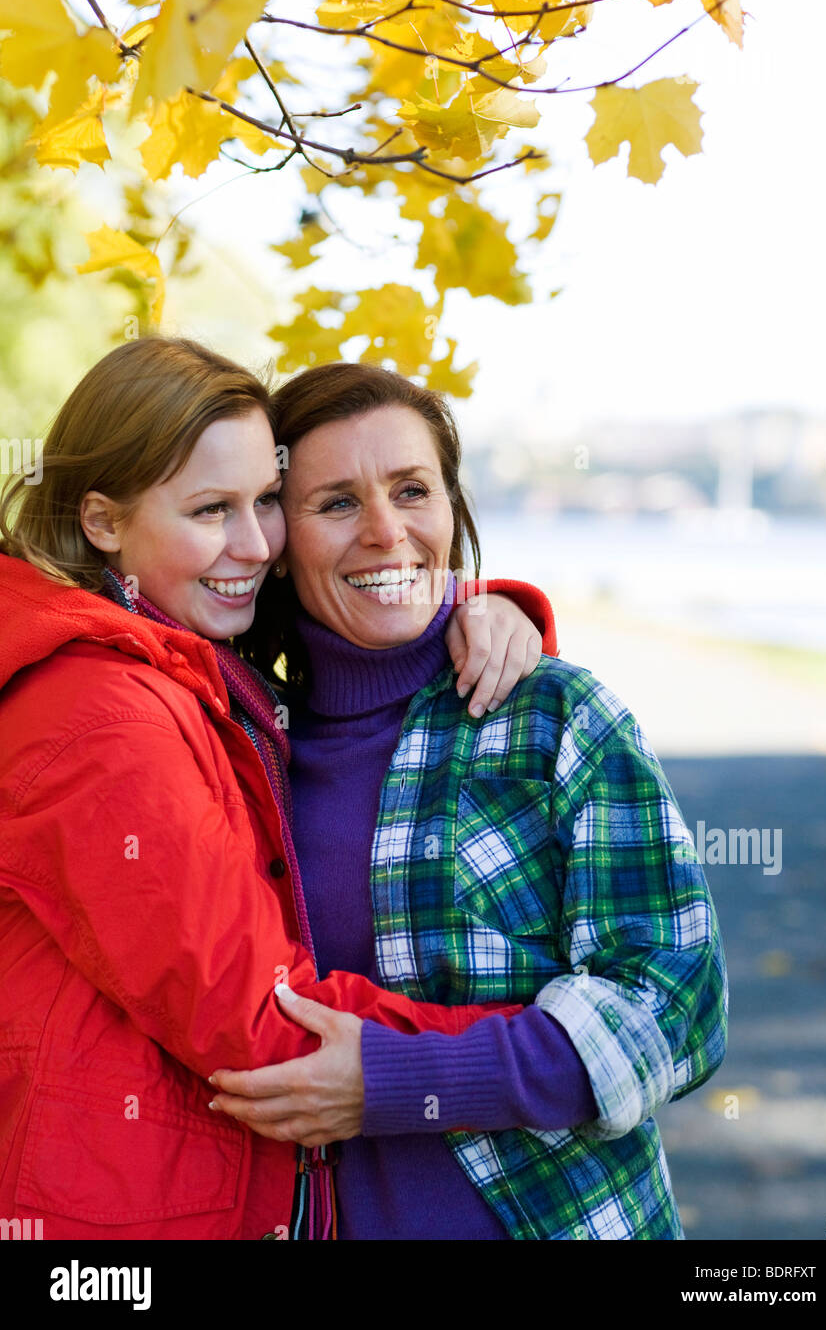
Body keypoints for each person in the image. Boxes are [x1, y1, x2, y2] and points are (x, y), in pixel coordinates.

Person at [0, 337, 558, 1240]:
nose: (255, 545)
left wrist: (490, 613)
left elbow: (364, 627)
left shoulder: (175, 657)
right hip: (118, 1221)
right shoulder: (103, 712)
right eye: (211, 509)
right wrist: (539, 1053)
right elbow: (261, 1020)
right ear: (103, 521)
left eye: (265, 501)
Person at [208, 362, 729, 1241]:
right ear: (275, 539)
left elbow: (673, 1012)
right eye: (335, 503)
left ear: (452, 507)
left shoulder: (554, 716)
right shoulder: (238, 748)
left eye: (412, 490)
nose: (386, 531)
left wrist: (395, 1085)